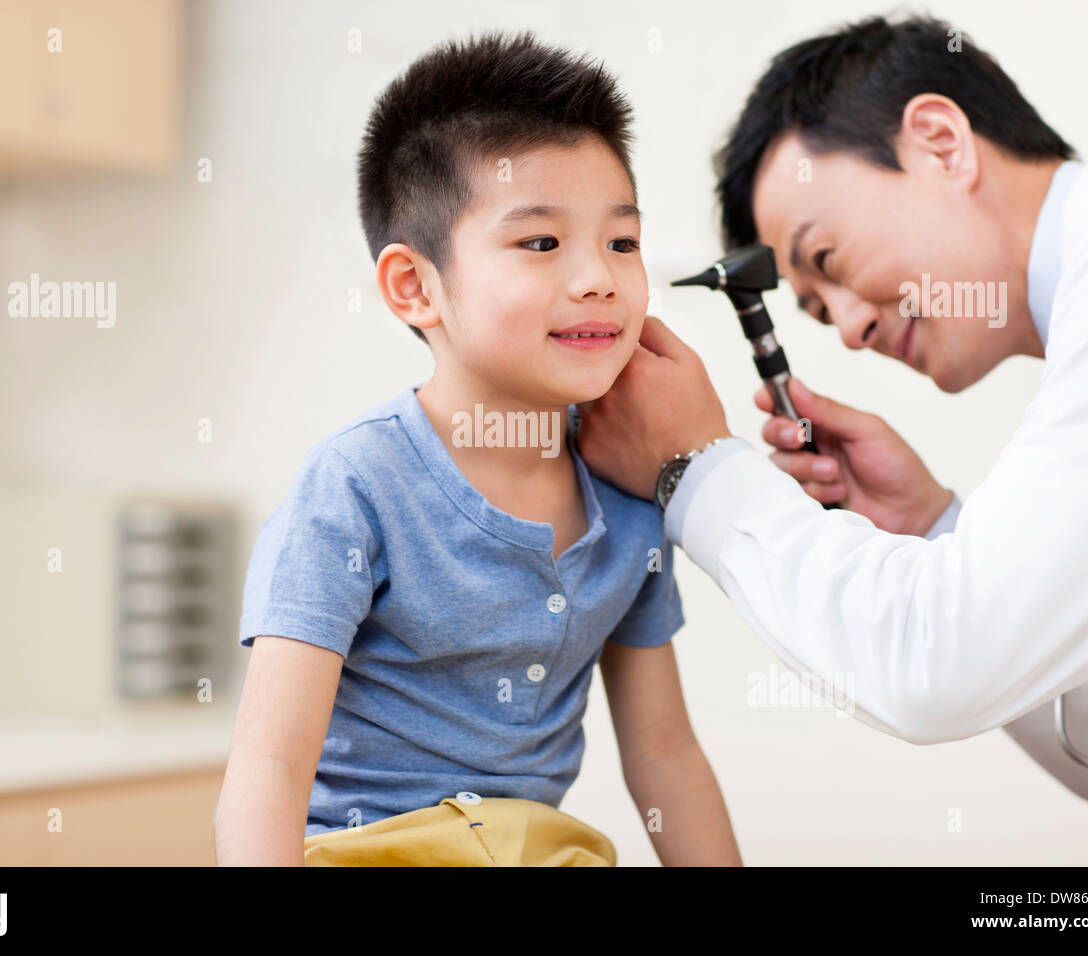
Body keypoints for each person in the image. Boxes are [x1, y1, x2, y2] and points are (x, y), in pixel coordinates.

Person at [577, 14, 1088, 812]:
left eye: (829, 260)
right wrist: (934, 528)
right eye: (818, 309)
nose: (850, 328)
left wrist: (699, 473)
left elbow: (940, 669)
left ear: (940, 141)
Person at [214, 32, 742, 866]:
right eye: (541, 243)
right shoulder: (355, 488)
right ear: (415, 287)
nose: (598, 277)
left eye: (622, 242)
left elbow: (665, 756)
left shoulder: (631, 491)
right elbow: (268, 767)